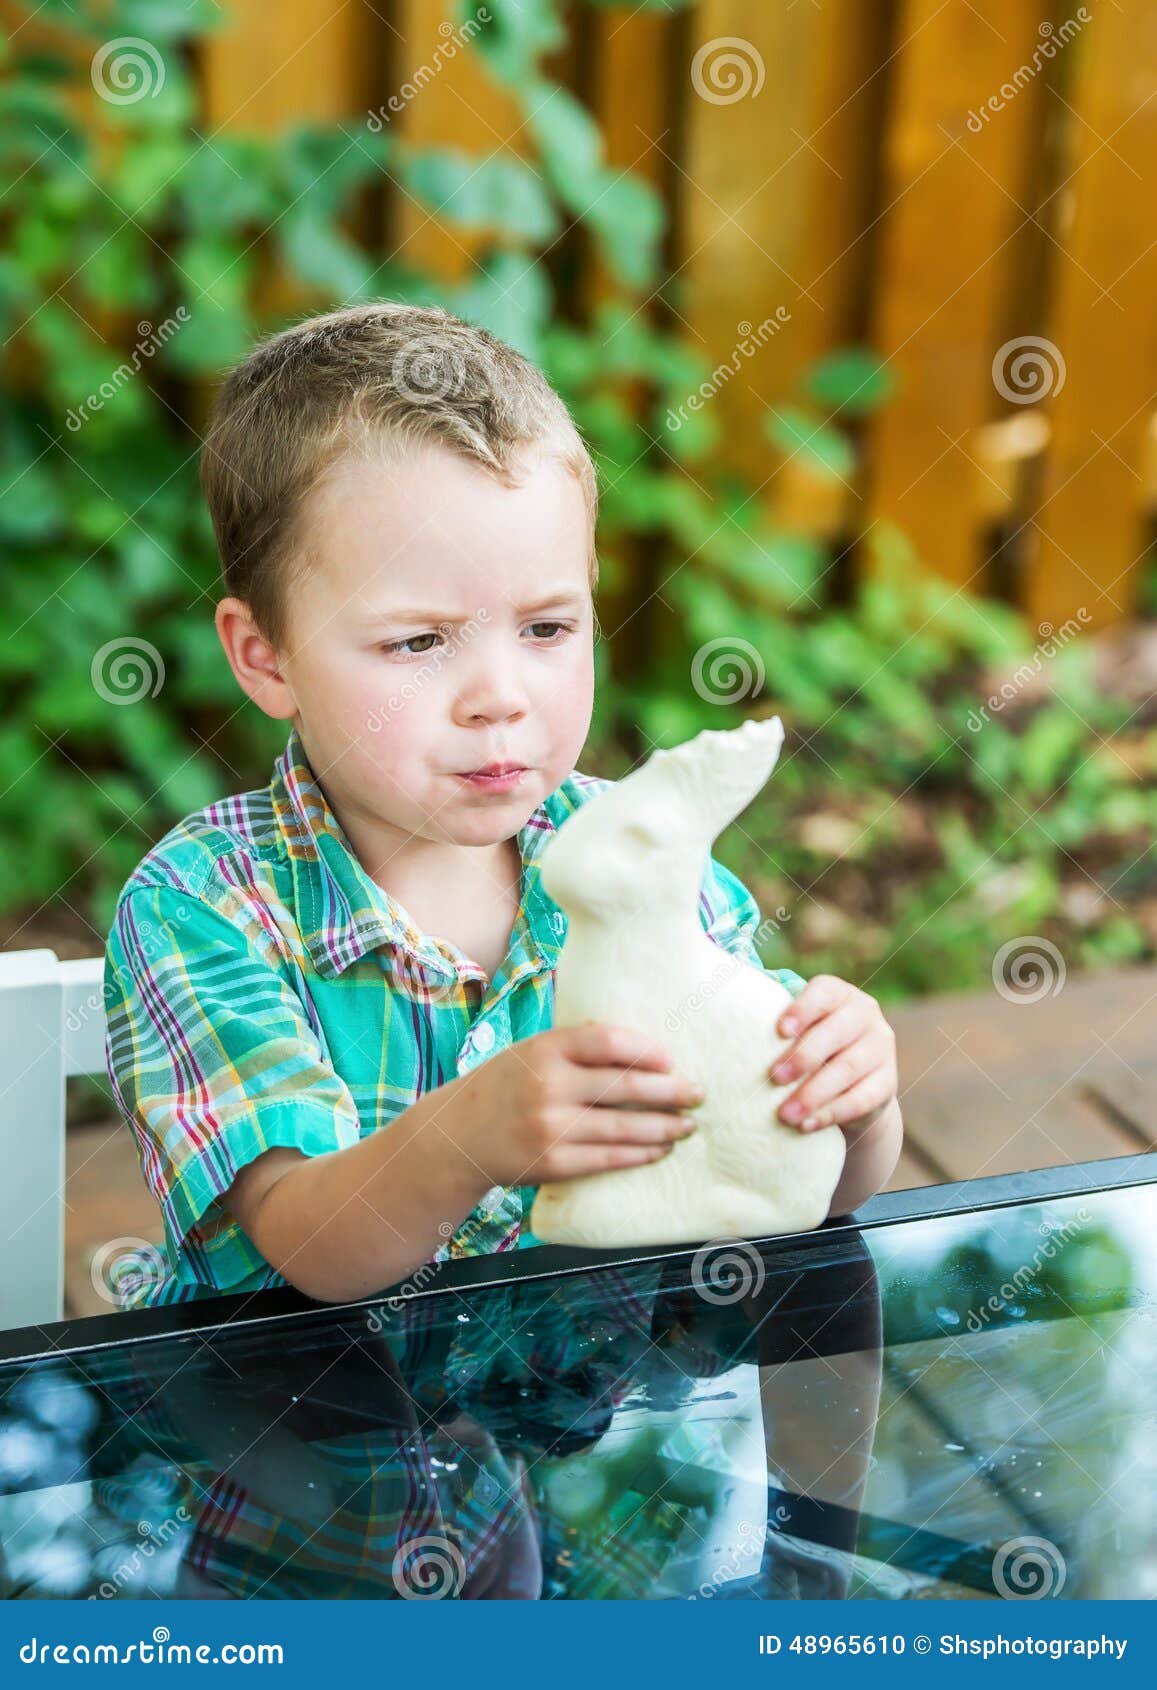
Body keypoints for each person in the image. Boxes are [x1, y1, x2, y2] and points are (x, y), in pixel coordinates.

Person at [103, 301, 903, 1312]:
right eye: (417, 642)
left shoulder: (638, 857)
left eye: (546, 628)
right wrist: (467, 1135)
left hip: (594, 1404)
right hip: (303, 1402)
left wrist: (853, 1106)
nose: (499, 696)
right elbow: (307, 1245)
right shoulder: (206, 905)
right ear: (266, 658)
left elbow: (799, 1187)